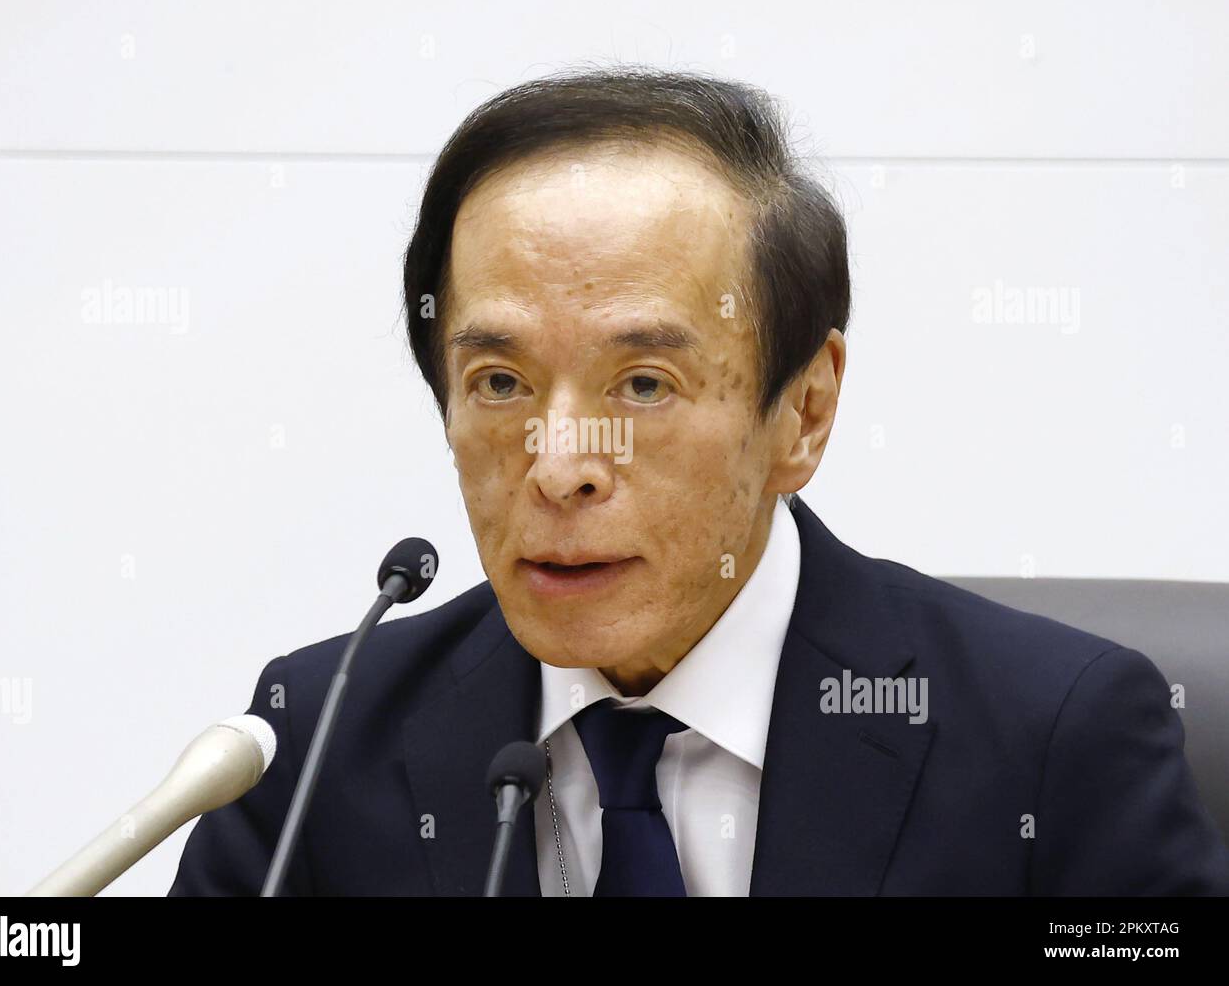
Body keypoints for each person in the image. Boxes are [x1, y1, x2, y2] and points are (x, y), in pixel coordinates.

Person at [169, 67, 1229, 896]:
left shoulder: (1054, 744)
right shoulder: (314, 746)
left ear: (802, 413)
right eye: (499, 380)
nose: (561, 467)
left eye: (641, 383)